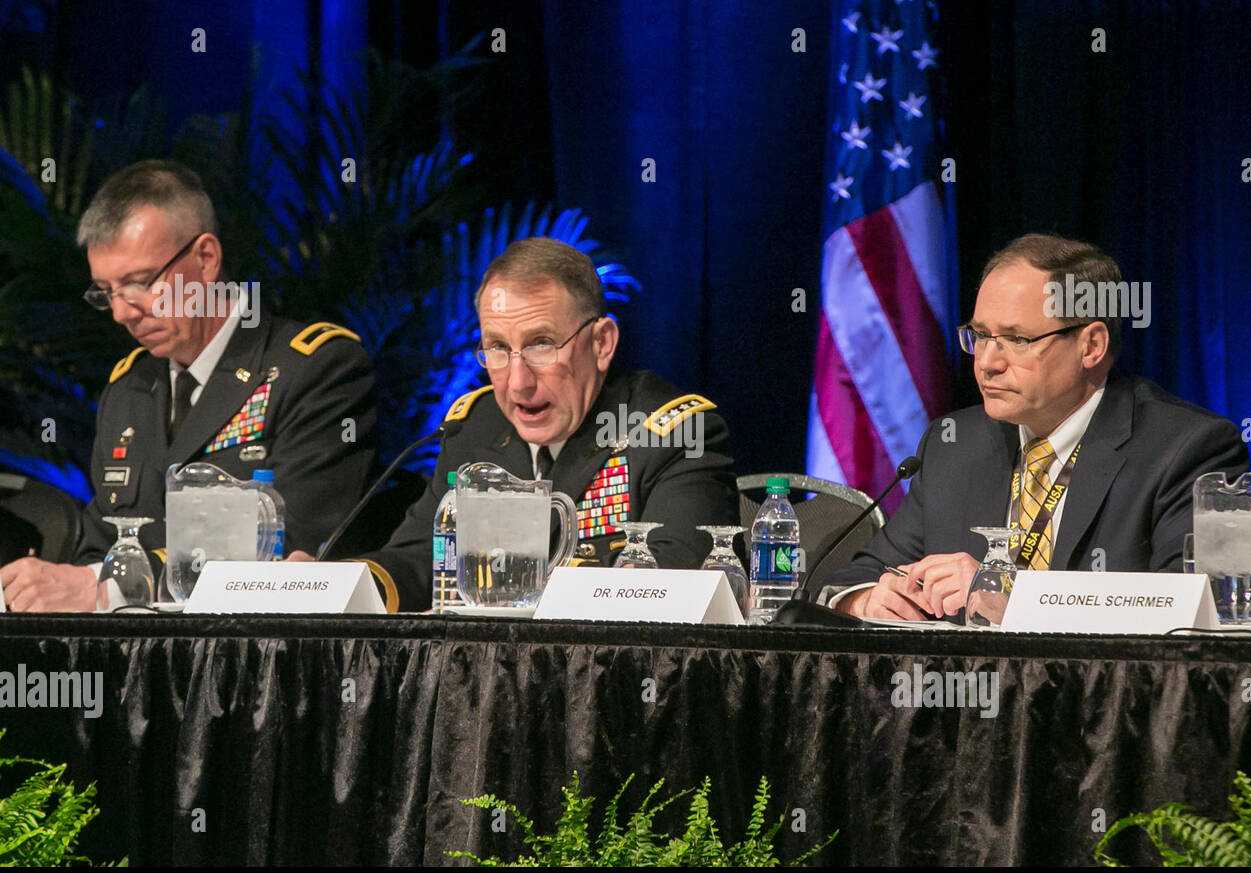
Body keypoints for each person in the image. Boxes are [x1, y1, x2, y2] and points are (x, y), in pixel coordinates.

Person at [0, 159, 377, 611]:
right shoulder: (130, 388)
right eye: (106, 291)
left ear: (206, 259)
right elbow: (98, 547)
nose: (122, 313)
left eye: (140, 284)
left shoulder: (315, 368)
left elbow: (297, 545)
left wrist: (108, 588)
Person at [826, 233, 1251, 621]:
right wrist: (867, 599)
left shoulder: (1184, 448)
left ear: (1091, 346)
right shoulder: (954, 443)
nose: (988, 362)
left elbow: (1194, 612)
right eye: (980, 335)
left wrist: (1015, 600)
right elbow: (860, 576)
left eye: (1017, 340)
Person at [301, 237, 740, 611]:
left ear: (602, 343)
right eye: (497, 348)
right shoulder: (474, 429)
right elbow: (422, 557)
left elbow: (675, 586)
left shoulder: (670, 434)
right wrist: (338, 584)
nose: (517, 382)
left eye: (542, 345)